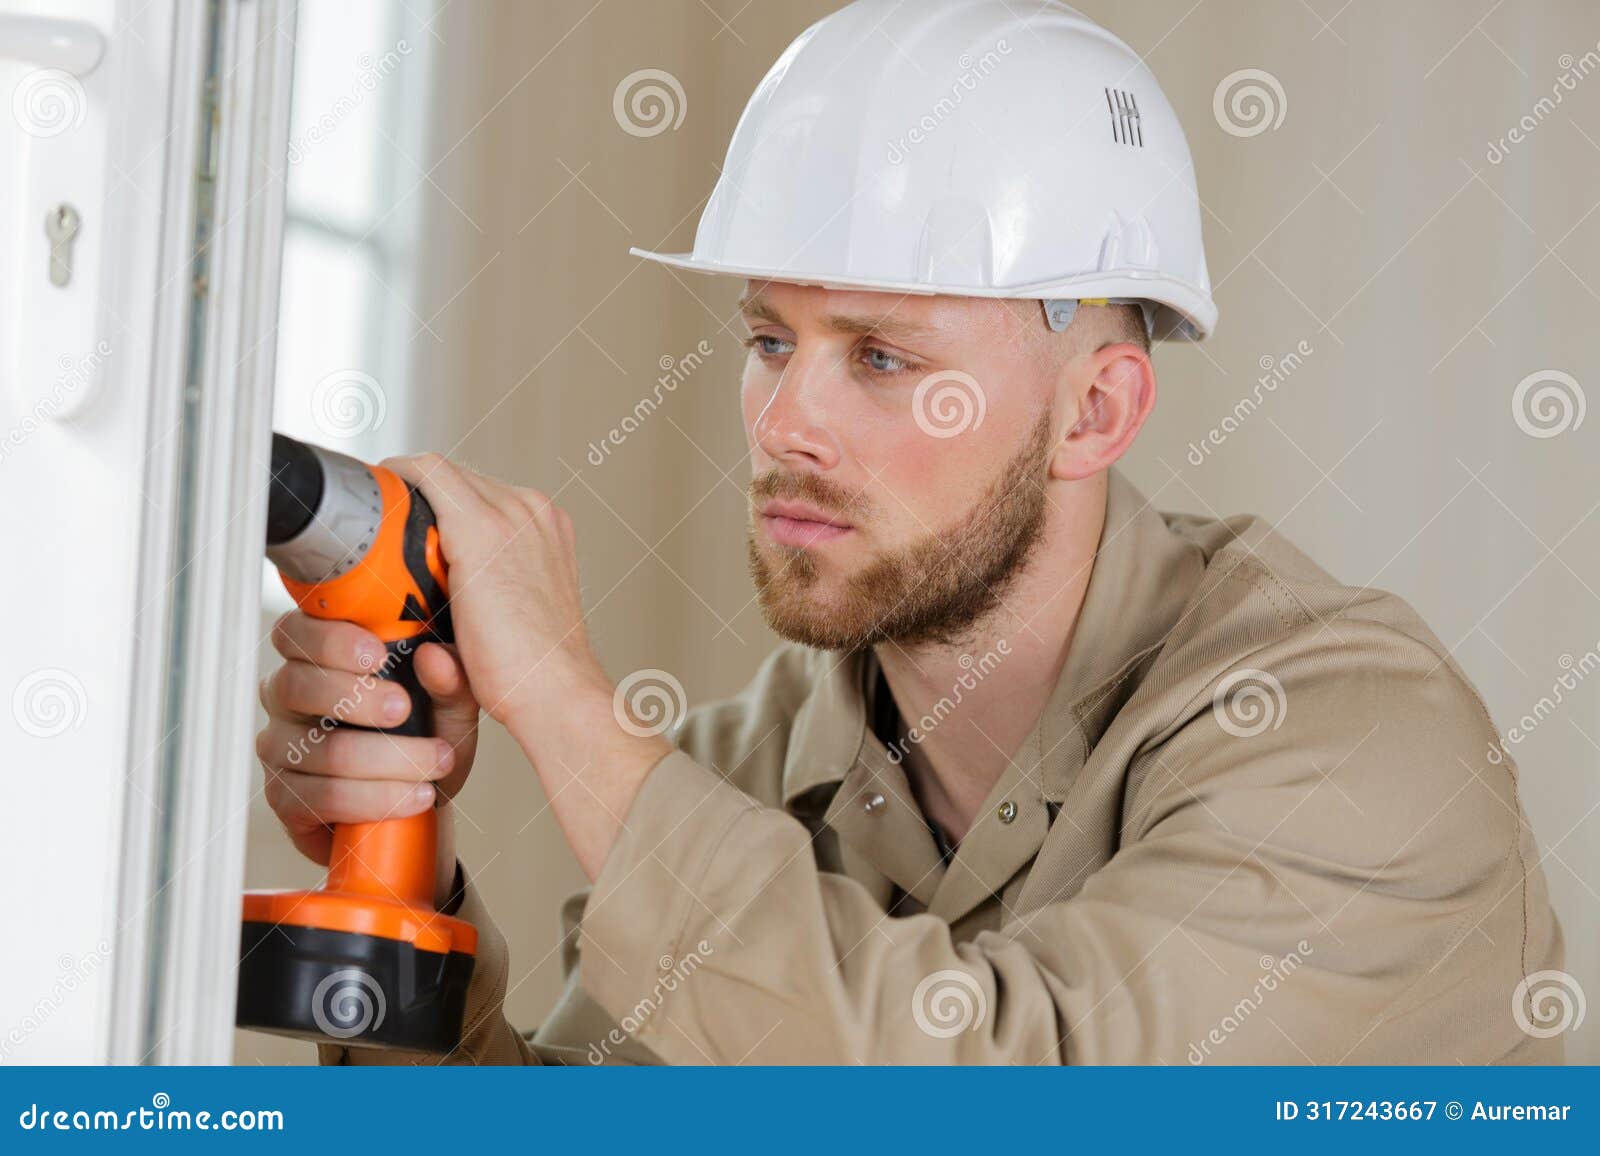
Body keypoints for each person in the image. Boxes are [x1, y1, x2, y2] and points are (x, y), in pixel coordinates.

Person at [255, 0, 1561, 1064]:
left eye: (882, 358)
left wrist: (561, 702)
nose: (787, 423)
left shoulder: (1348, 743)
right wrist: (400, 899)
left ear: (1094, 410)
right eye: (771, 340)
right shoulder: (758, 761)